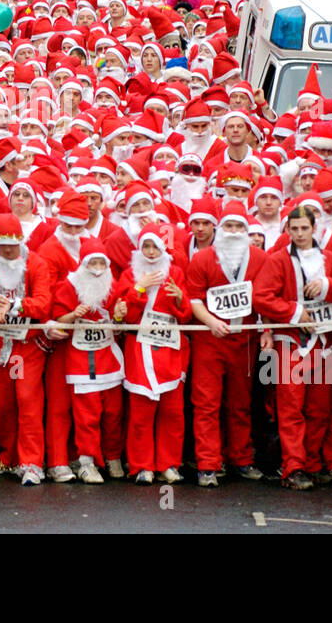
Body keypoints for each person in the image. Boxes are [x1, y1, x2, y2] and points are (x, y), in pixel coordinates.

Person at [255, 204, 332, 489]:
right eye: (293, 229)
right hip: (291, 344)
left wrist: (328, 285)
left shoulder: (330, 259)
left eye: (304, 228)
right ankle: (292, 466)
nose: (299, 234)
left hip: (325, 344)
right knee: (291, 407)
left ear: (314, 228)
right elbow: (261, 297)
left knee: (320, 408)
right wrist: (294, 312)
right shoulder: (277, 260)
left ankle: (311, 462)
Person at [186, 202, 265, 486]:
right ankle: (208, 463)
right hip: (210, 339)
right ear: (221, 229)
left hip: (244, 339)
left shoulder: (259, 258)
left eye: (238, 227)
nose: (233, 232)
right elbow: (193, 299)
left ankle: (241, 459)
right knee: (206, 402)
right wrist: (210, 322)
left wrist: (265, 329)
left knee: (240, 402)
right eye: (229, 226)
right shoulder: (203, 259)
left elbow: (266, 296)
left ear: (247, 230)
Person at [113, 222, 190, 484]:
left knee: (172, 411)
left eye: (155, 246)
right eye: (145, 246)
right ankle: (141, 465)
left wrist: (180, 298)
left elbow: (185, 314)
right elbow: (125, 315)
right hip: (140, 350)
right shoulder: (130, 274)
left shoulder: (176, 272)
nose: (150, 251)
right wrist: (140, 288)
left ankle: (169, 463)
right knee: (141, 412)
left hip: (169, 349)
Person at [0, 215, 52, 485]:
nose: (8, 250)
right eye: (2, 245)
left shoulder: (36, 263)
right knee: (3, 404)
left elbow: (43, 304)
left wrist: (14, 306)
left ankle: (31, 462)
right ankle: (8, 456)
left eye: (12, 244)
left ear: (21, 241)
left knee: (28, 400)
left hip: (27, 343)